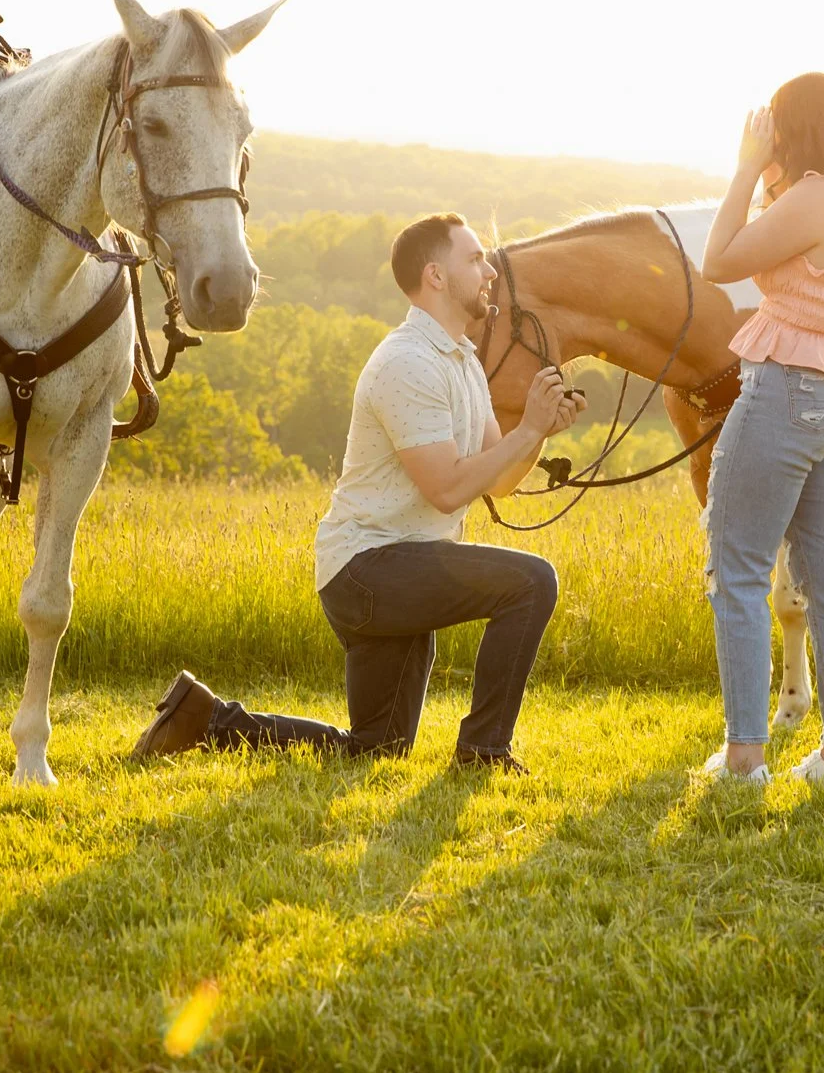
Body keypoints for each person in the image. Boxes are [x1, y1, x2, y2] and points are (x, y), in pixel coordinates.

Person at [129, 212, 584, 773]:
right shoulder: (407, 362)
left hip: (402, 571)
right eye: (475, 259)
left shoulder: (462, 360)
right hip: (369, 572)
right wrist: (529, 429)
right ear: (436, 276)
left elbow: (501, 481)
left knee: (377, 746)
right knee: (532, 581)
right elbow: (445, 490)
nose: (489, 271)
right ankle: (484, 751)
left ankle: (205, 719)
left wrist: (537, 433)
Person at [696, 73, 824, 785]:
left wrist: (749, 166)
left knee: (739, 568)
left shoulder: (815, 196)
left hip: (788, 392)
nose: (771, 137)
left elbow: (718, 260)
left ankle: (746, 756)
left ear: (796, 126)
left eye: (777, 126)